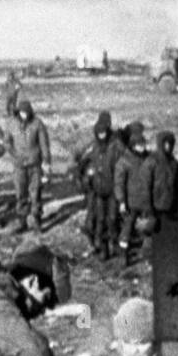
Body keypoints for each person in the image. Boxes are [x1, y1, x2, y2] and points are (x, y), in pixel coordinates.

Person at [75, 111, 123, 259]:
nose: (102, 135)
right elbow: (80, 162)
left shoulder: (116, 145)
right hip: (97, 190)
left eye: (104, 132)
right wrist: (84, 180)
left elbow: (125, 163)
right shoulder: (93, 147)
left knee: (113, 219)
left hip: (112, 189)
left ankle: (115, 244)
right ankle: (102, 248)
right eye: (99, 133)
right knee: (99, 220)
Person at [6, 97, 51, 233]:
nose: (23, 115)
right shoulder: (12, 124)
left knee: (35, 192)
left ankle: (37, 220)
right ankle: (22, 221)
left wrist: (46, 161)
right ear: (18, 112)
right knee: (20, 193)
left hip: (34, 164)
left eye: (26, 112)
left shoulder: (37, 124)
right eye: (21, 112)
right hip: (19, 165)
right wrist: (13, 153)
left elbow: (44, 144)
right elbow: (7, 141)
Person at [115, 121, 153, 265]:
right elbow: (119, 183)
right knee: (127, 229)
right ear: (132, 145)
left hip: (145, 200)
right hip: (131, 202)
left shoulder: (149, 159)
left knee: (148, 228)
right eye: (138, 145)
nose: (141, 148)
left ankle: (147, 253)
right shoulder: (124, 161)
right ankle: (123, 255)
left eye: (143, 145)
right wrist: (121, 201)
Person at [148, 130, 178, 223]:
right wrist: (147, 206)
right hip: (155, 203)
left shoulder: (174, 163)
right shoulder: (152, 161)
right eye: (165, 144)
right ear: (160, 144)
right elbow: (145, 185)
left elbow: (177, 185)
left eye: (170, 144)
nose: (168, 146)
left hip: (169, 204)